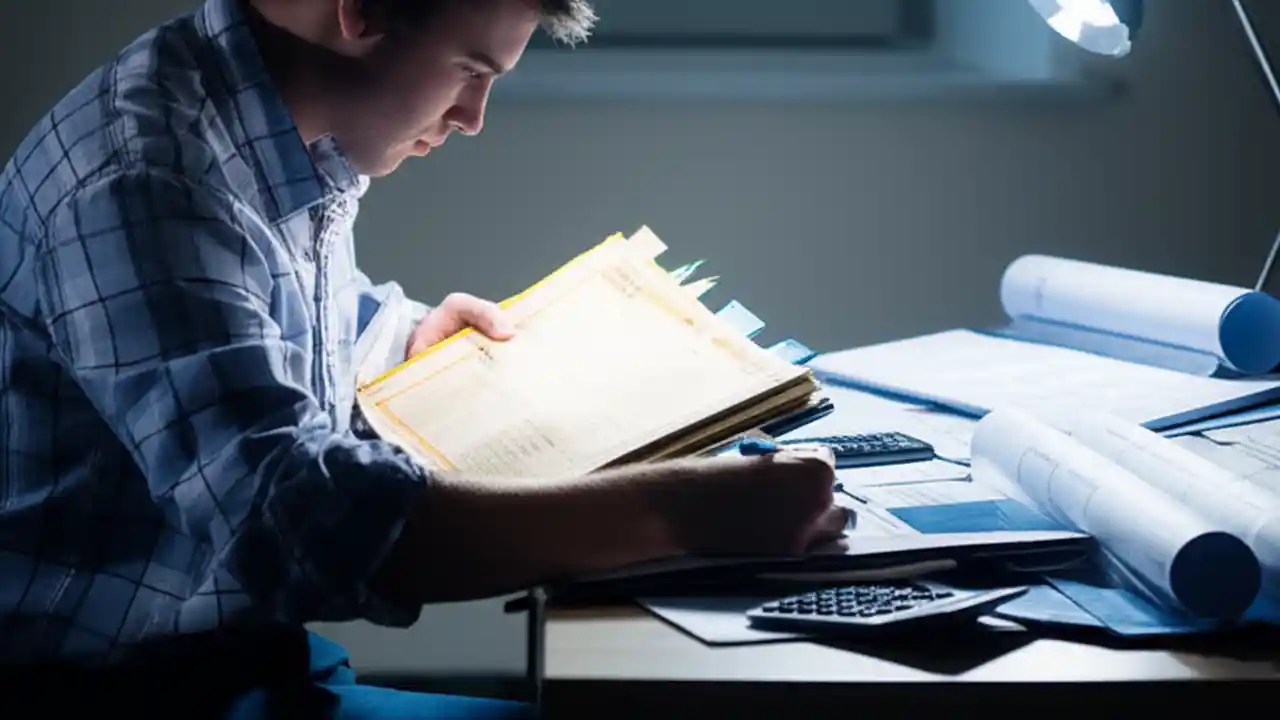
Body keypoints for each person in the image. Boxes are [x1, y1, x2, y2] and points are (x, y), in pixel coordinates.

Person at [0, 0, 846, 716]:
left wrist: (401, 339)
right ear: (360, 10)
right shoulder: (150, 185)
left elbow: (242, 325)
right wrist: (684, 516)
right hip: (128, 689)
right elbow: (295, 527)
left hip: (242, 661)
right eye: (470, 69)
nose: (474, 116)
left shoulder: (261, 117)